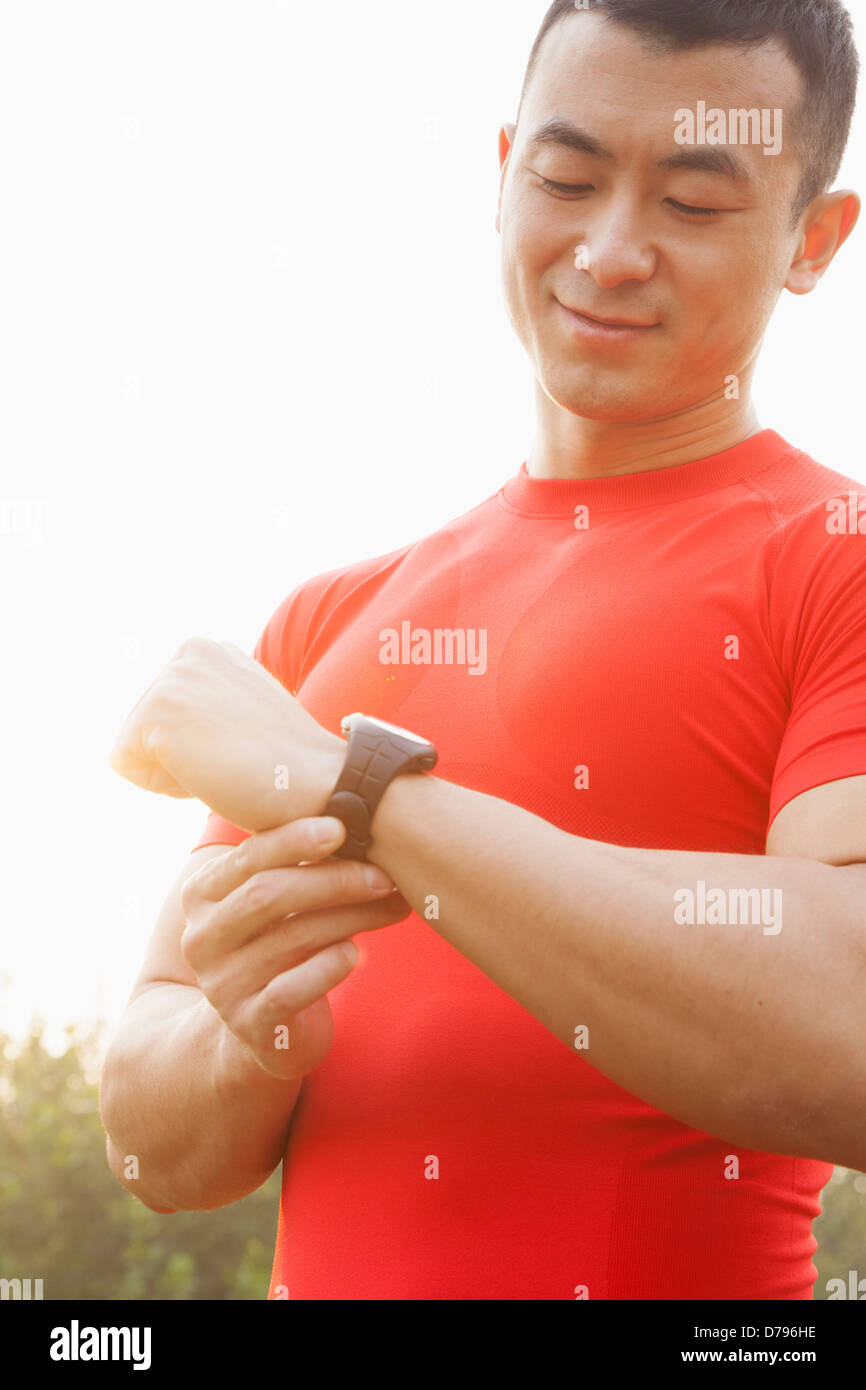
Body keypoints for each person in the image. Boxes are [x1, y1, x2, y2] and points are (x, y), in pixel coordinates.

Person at [101, 0, 866, 1299]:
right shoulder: (329, 616)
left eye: (692, 202)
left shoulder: (834, 559)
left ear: (813, 238)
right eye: (566, 179)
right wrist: (249, 1046)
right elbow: (153, 1138)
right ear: (503, 173)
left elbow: (847, 1025)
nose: (610, 250)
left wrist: (352, 793)